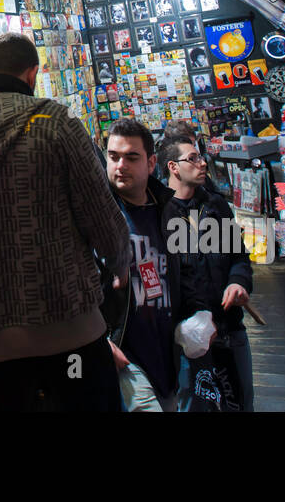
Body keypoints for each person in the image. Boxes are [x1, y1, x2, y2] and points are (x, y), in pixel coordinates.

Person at [0, 32, 129, 412]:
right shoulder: (55, 122)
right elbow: (103, 217)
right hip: (69, 337)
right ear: (32, 75)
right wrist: (120, 264)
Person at [158, 136, 254, 411]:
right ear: (173, 167)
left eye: (202, 157)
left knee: (240, 401)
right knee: (195, 403)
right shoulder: (160, 215)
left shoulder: (215, 206)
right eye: (193, 158)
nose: (202, 164)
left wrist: (238, 283)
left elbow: (238, 256)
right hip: (189, 335)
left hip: (229, 327)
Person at [105, 119, 178, 412]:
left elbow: (190, 271)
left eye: (131, 157)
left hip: (169, 354)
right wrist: (99, 340)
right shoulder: (96, 218)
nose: (120, 165)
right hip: (124, 354)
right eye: (113, 157)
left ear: (150, 163)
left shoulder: (169, 211)